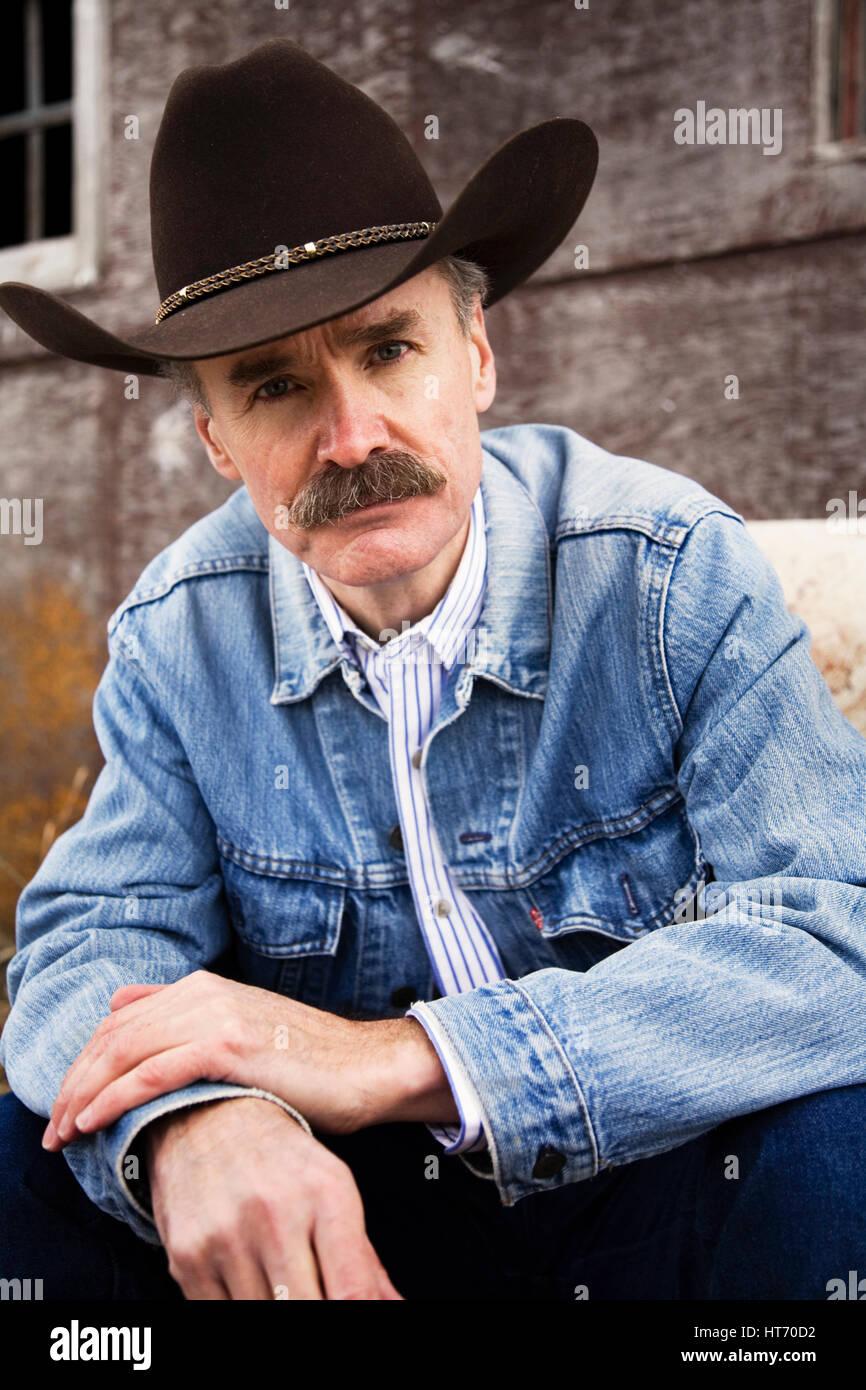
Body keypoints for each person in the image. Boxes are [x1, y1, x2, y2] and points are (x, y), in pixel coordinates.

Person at [1, 37, 865, 1303]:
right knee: (33, 1158)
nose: (349, 436)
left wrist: (398, 1056)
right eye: (274, 385)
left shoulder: (665, 574)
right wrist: (191, 1123)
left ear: (477, 354)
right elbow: (84, 945)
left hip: (645, 1206)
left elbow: (838, 936)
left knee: (834, 1149)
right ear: (216, 443)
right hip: (343, 1236)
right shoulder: (182, 637)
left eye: (387, 350)